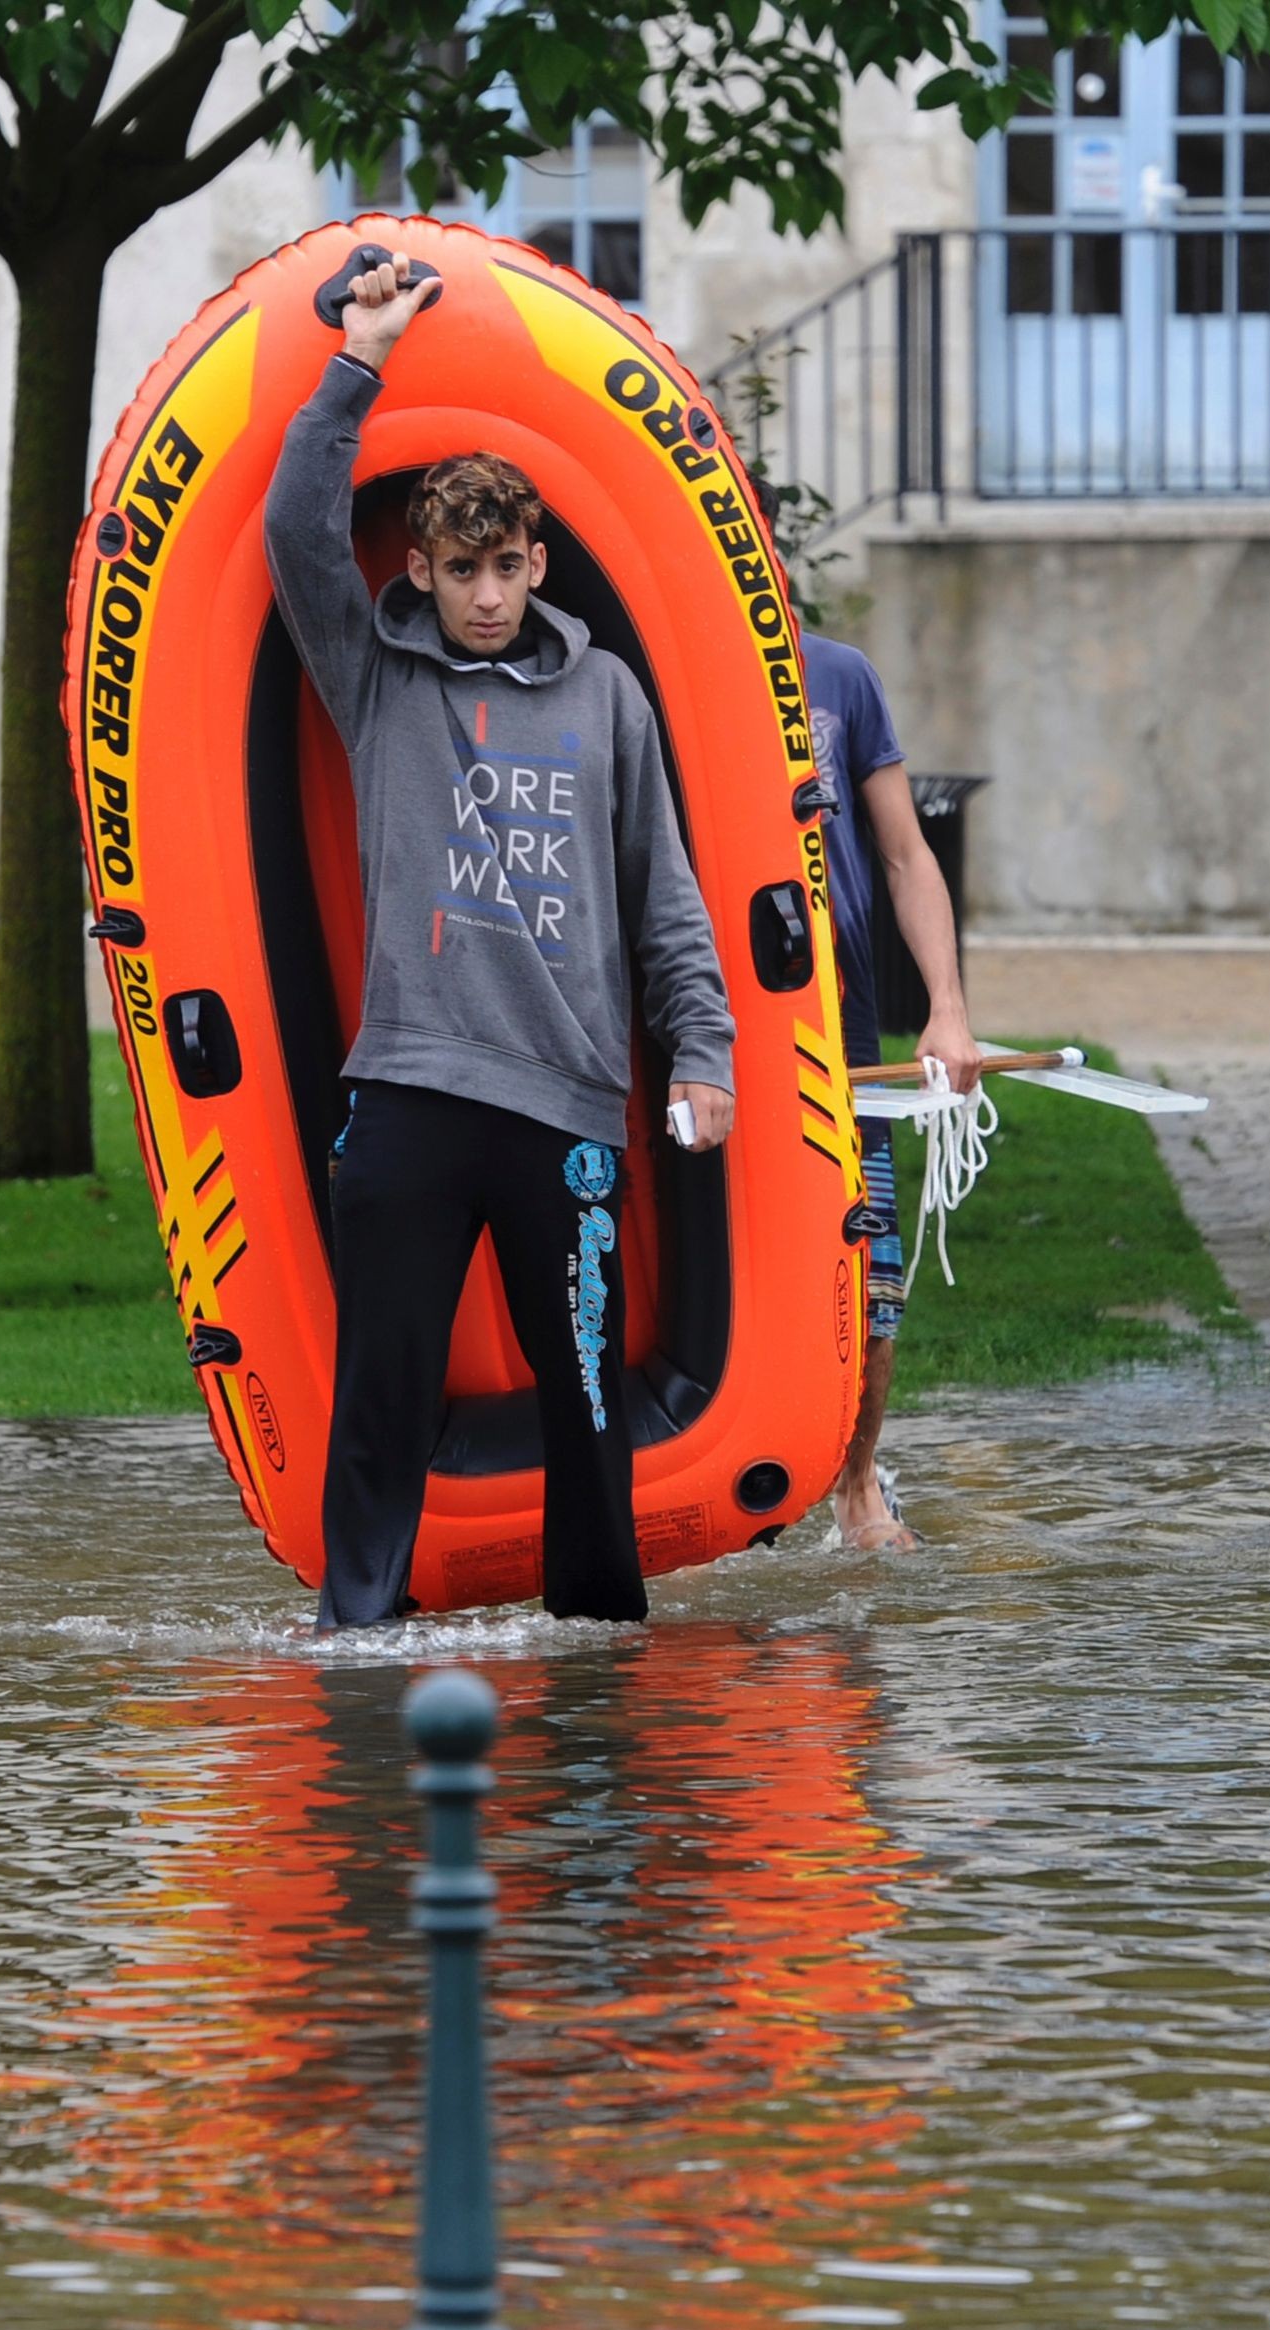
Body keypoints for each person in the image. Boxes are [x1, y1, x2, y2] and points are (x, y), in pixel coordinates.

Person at [272, 254, 738, 1626]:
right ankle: (357, 1639)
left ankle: (594, 1643)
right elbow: (297, 530)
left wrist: (702, 1048)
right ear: (418, 569)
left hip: (566, 1110)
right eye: (460, 569)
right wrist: (357, 361)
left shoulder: (607, 698)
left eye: (505, 567)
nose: (485, 593)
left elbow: (664, 896)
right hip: (410, 1095)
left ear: (537, 562)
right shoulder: (375, 678)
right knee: (382, 1398)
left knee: (586, 1399)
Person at [768, 501, 978, 1552]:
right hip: (713, 1030)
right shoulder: (656, 672)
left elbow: (904, 855)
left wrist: (946, 1007)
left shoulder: (839, 677)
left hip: (842, 1026)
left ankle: (856, 1486)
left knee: (871, 1268)